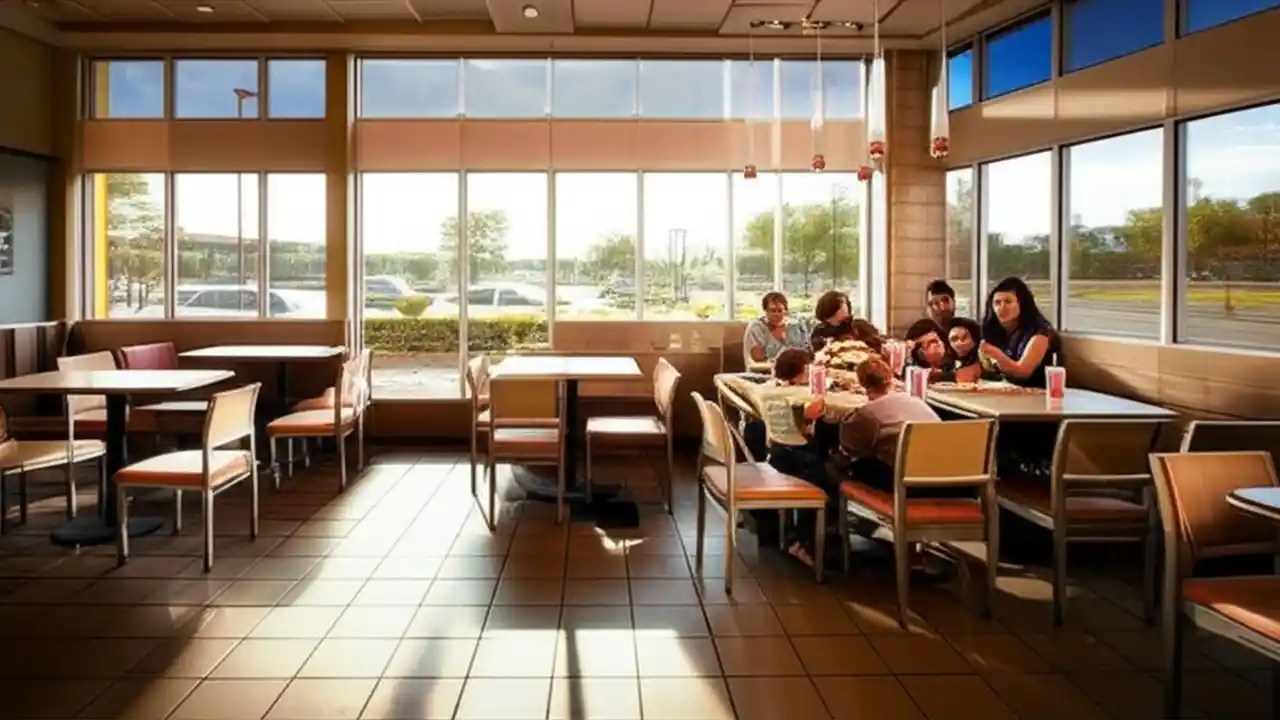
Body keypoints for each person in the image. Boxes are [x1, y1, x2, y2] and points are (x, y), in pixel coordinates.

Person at [763, 348, 829, 567]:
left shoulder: (767, 390)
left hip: (776, 454)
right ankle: (804, 540)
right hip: (798, 459)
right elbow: (814, 413)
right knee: (830, 476)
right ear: (802, 372)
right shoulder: (800, 396)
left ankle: (794, 534)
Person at [838, 356, 941, 492]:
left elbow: (850, 448)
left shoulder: (867, 414)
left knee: (848, 464)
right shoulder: (915, 400)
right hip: (945, 479)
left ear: (861, 383)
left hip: (907, 484)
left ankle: (832, 506)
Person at [979, 277, 1061, 388]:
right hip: (1005, 391)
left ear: (1022, 304)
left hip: (1037, 394)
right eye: (997, 303)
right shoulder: (993, 330)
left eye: (1008, 302)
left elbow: (1023, 372)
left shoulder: (1041, 333)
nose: (1002, 308)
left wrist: (997, 354)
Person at [742, 291, 809, 367]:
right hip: (762, 370)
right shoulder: (756, 327)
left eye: (780, 310)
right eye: (773, 310)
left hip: (795, 370)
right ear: (765, 311)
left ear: (785, 311)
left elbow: (806, 351)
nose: (776, 314)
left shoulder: (795, 325)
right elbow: (758, 359)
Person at [945, 317, 984, 383]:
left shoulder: (984, 362)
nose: (960, 343)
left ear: (975, 340)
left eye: (965, 338)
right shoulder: (948, 365)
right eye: (954, 339)